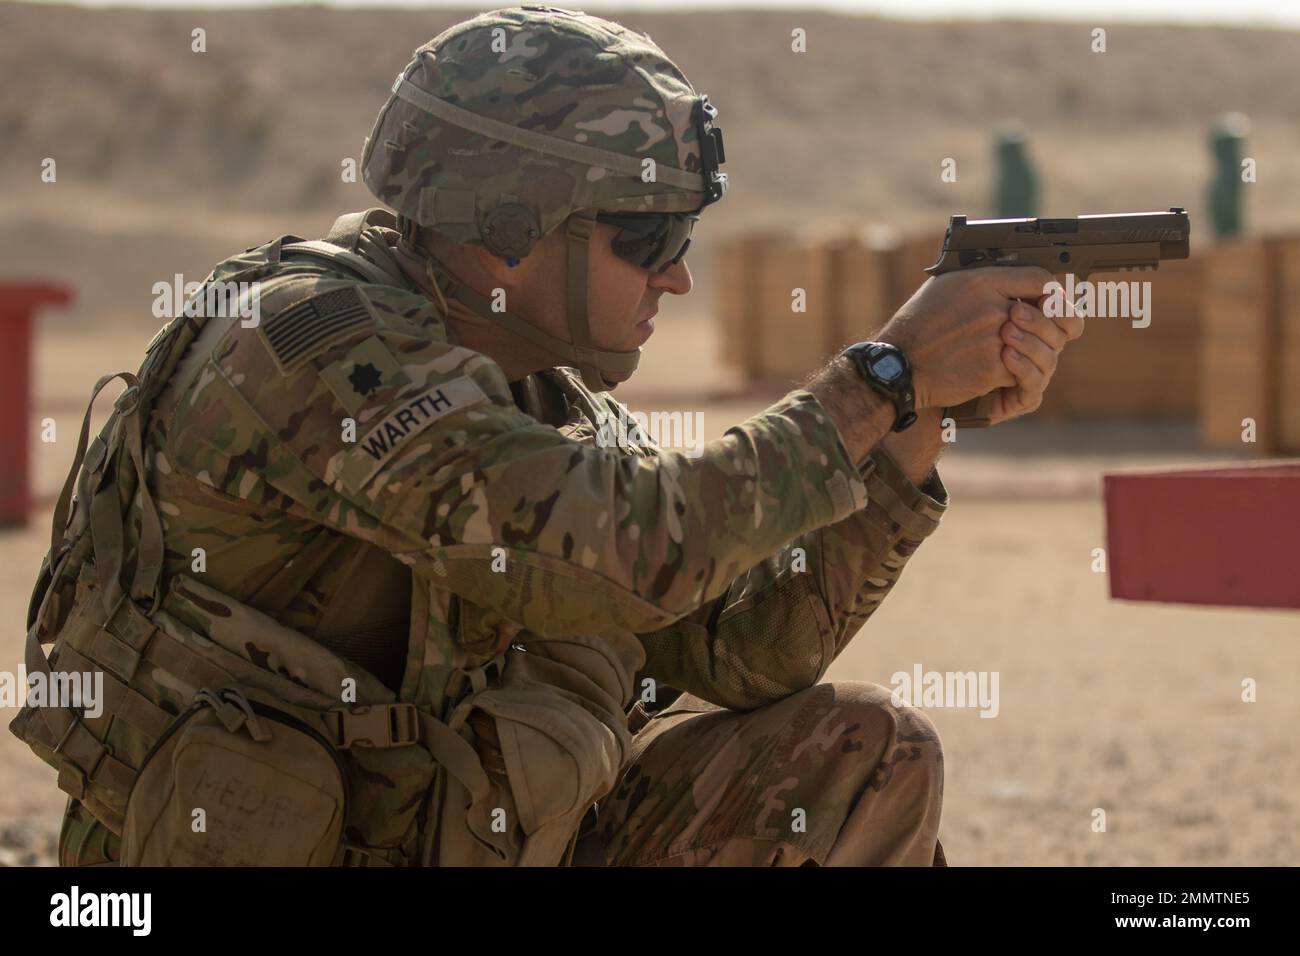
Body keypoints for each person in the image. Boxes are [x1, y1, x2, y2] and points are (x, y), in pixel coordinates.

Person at [15, 6, 1079, 867]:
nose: (676, 275)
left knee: (862, 752)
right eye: (648, 234)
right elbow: (609, 554)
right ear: (511, 227)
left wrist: (909, 429)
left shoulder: (545, 399)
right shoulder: (305, 342)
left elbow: (738, 651)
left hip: (447, 831)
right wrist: (876, 377)